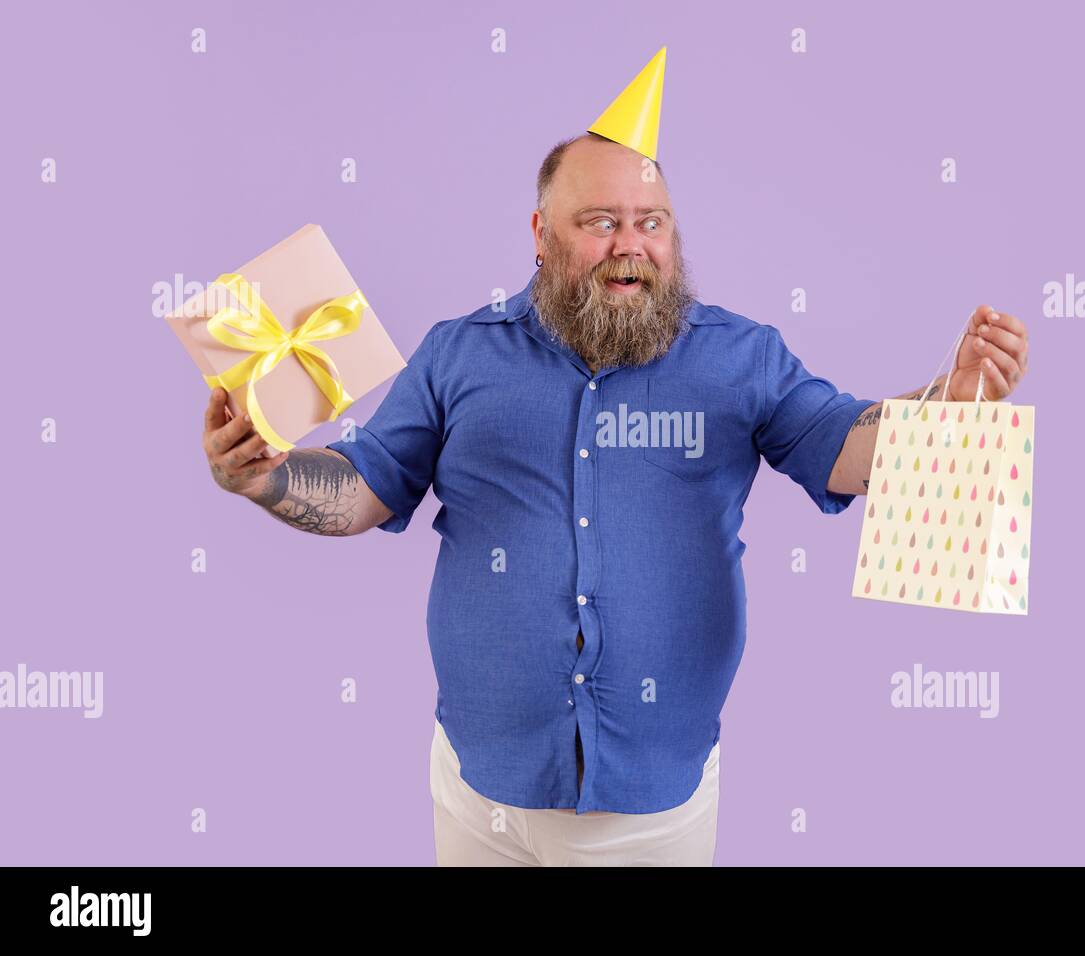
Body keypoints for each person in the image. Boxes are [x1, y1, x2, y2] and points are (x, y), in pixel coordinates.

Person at [201, 59, 1030, 868]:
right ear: (539, 235)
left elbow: (845, 445)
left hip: (649, 816)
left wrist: (945, 409)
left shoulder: (742, 359)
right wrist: (267, 476)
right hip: (477, 793)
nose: (630, 245)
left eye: (651, 221)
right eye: (599, 222)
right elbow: (367, 486)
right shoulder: (458, 355)